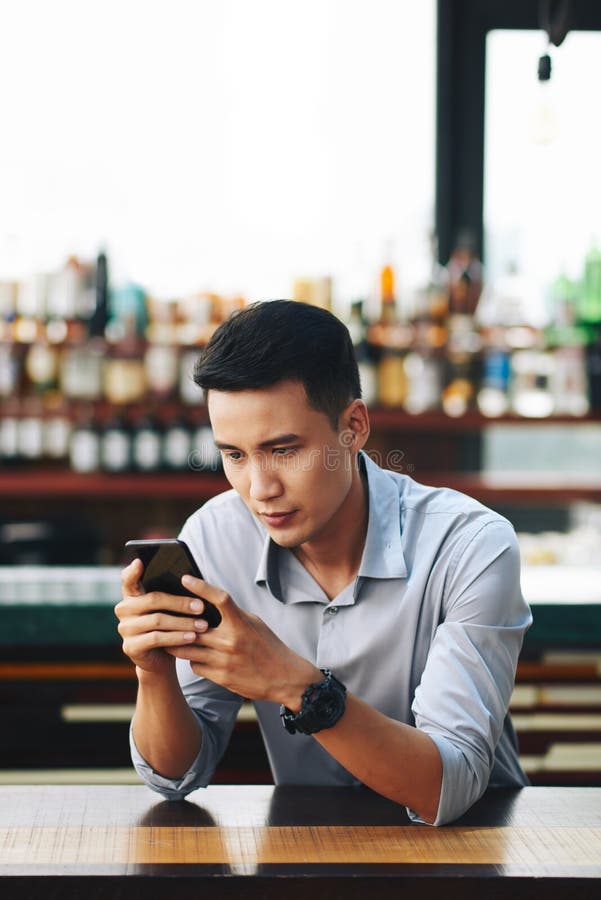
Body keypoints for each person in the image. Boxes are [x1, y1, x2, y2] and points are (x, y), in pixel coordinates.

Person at [116, 299, 531, 826]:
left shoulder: (470, 546)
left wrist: (297, 687)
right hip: (305, 854)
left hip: (472, 853)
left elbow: (448, 786)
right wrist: (153, 675)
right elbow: (175, 775)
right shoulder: (216, 536)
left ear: (353, 427)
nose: (259, 490)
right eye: (235, 456)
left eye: (284, 450)